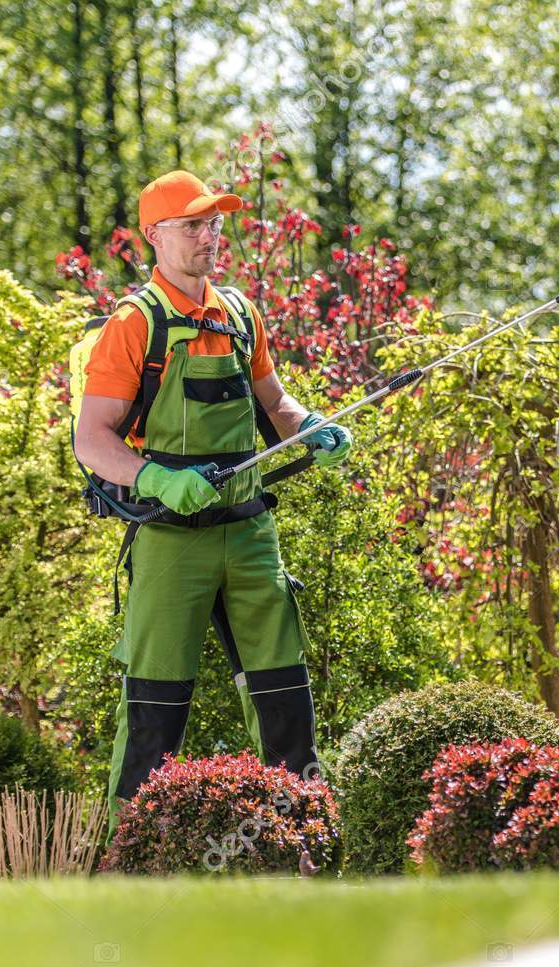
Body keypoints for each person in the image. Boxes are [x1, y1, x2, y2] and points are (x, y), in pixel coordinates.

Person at [73, 169, 352, 833]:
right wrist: (158, 479)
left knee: (286, 698)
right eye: (193, 224)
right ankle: (131, 858)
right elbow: (92, 439)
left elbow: (276, 405)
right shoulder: (134, 325)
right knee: (155, 708)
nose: (209, 235)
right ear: (155, 235)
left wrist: (312, 428)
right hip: (172, 540)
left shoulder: (239, 314)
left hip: (252, 537)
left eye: (214, 222)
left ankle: (304, 841)